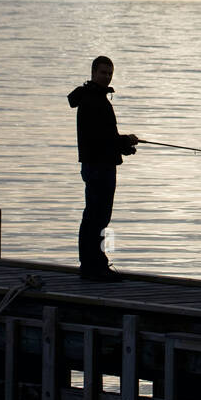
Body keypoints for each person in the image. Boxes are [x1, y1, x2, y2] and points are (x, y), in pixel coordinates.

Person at [68, 55, 139, 281]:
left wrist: (123, 147)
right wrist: (126, 140)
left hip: (99, 163)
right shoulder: (93, 101)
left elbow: (105, 139)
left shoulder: (95, 98)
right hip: (99, 167)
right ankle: (92, 266)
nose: (107, 77)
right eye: (103, 73)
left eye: (109, 73)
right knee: (96, 217)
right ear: (93, 73)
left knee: (97, 217)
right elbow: (102, 138)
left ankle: (94, 263)